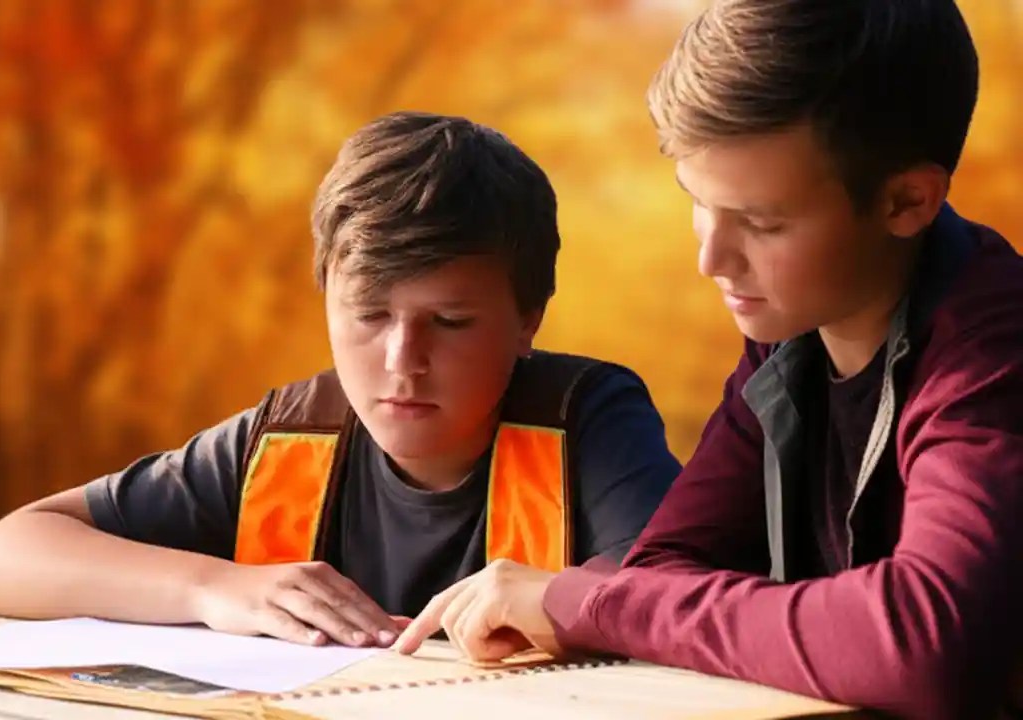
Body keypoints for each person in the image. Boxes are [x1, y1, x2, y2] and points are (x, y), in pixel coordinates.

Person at [395, 3, 1023, 717]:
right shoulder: (790, 342)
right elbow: (661, 569)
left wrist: (580, 602)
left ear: (907, 201)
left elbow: (925, 643)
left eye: (760, 223)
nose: (711, 259)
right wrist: (611, 604)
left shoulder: (995, 351)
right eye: (697, 201)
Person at [0, 111, 680, 651]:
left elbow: (672, 593)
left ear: (528, 320)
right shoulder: (288, 440)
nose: (402, 360)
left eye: (450, 322)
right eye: (369, 314)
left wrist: (555, 601)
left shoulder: (589, 420)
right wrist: (215, 587)